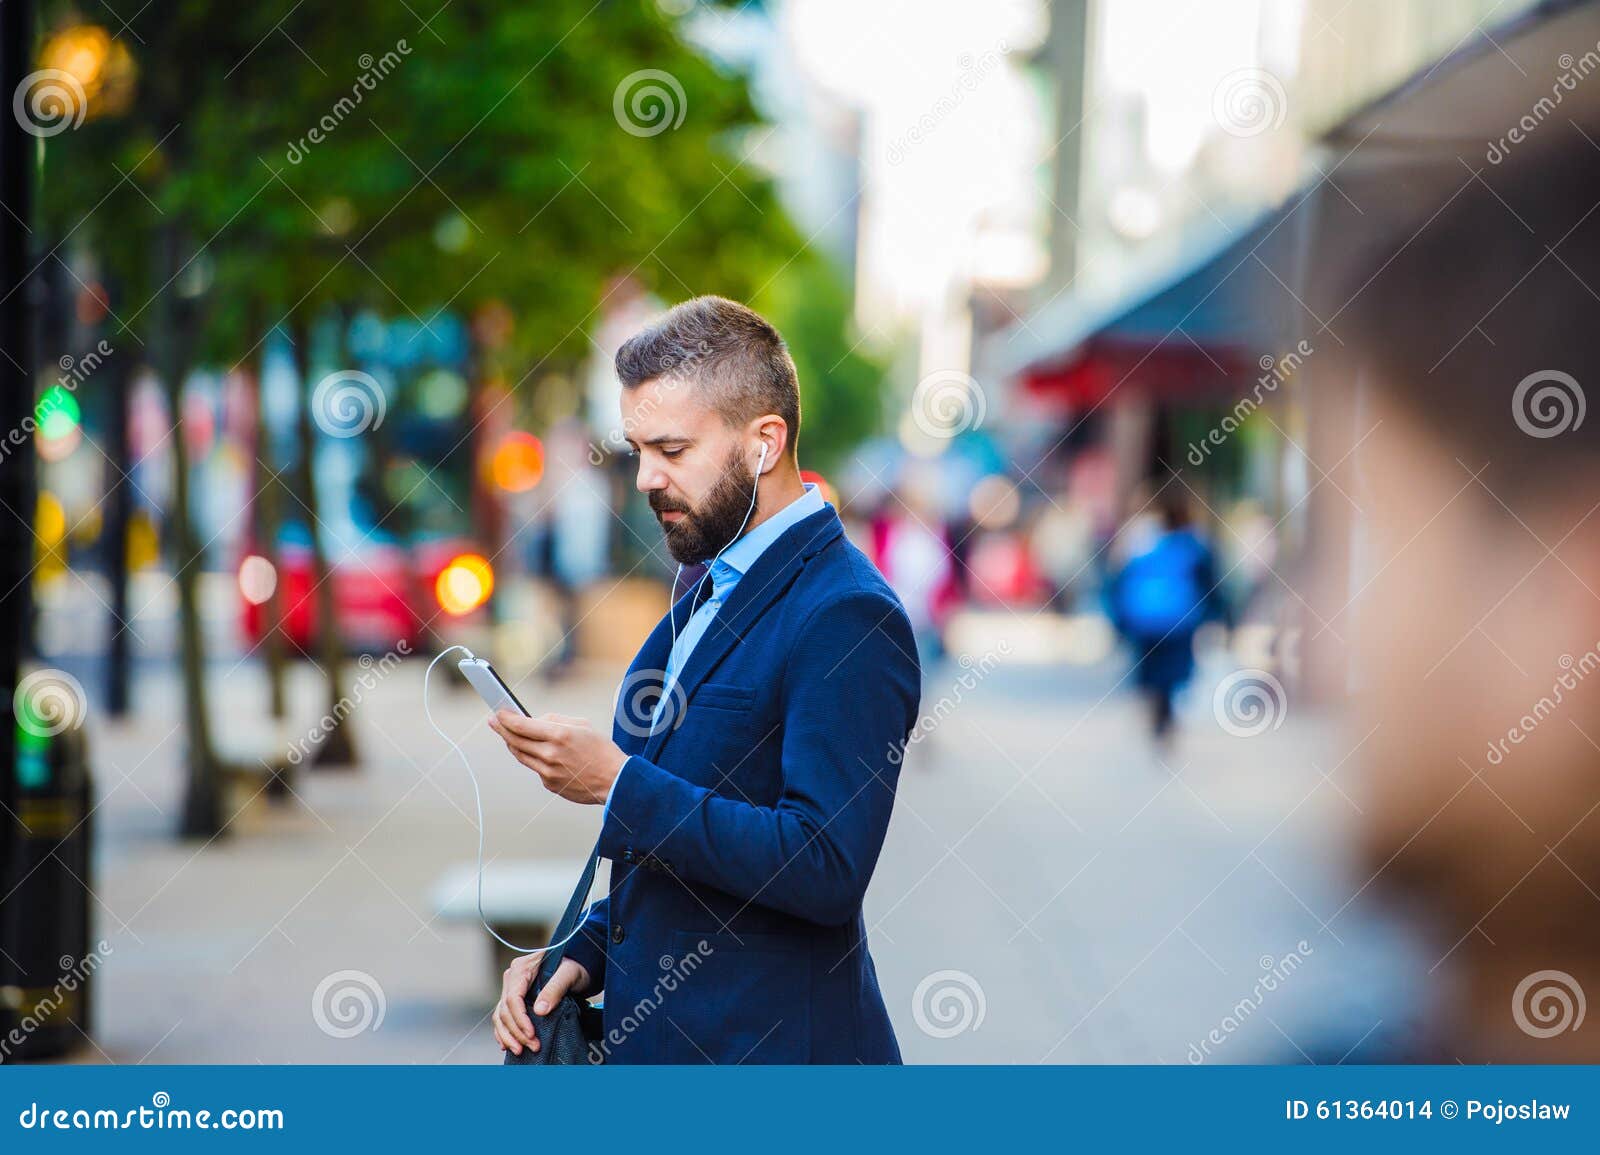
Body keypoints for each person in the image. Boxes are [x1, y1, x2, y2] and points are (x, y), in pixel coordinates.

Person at [487, 295, 921, 1063]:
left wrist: (618, 784)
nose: (647, 478)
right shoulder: (705, 582)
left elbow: (825, 866)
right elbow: (684, 850)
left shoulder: (847, 612)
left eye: (673, 449)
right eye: (637, 449)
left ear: (763, 443)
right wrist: (582, 951)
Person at [1106, 490, 1226, 745]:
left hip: (1146, 622)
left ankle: (1159, 710)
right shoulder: (1194, 546)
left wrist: (1120, 622)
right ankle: (1165, 711)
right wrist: (1218, 616)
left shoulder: (1142, 542)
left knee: (1152, 669)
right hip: (1180, 622)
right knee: (1174, 670)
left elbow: (1119, 581)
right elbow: (1211, 585)